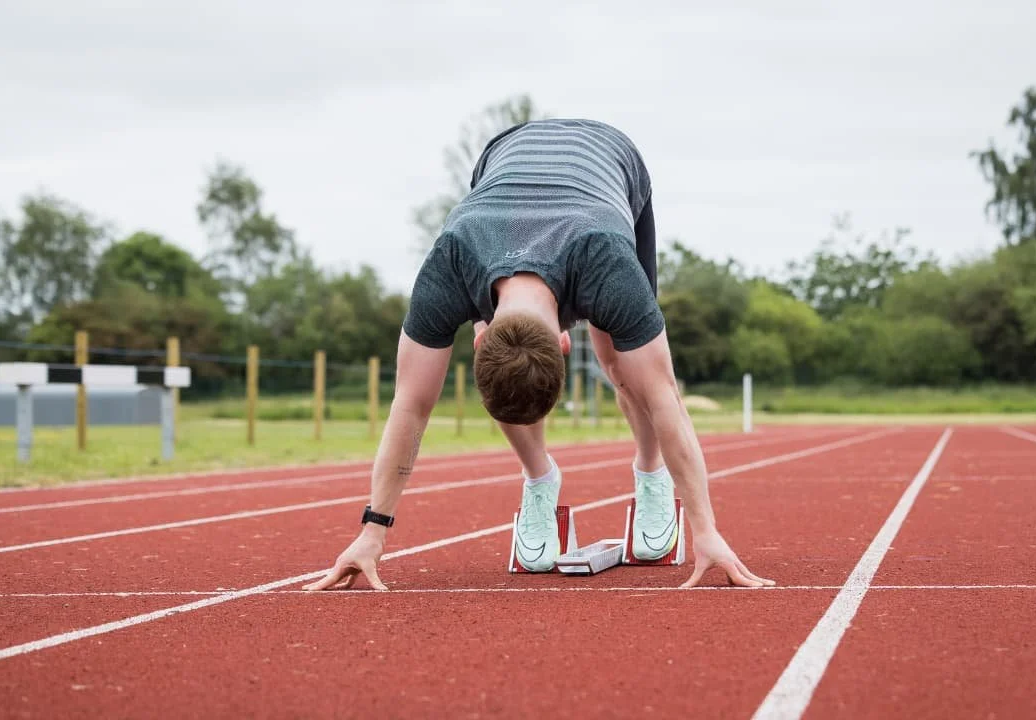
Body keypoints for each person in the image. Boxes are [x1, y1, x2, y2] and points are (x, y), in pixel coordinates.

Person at [304, 118, 773, 591]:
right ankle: (539, 478)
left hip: (613, 163)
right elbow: (410, 405)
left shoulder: (608, 265)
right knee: (510, 377)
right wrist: (372, 530)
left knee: (624, 367)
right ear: (482, 334)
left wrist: (705, 530)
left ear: (564, 344)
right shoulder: (449, 265)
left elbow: (665, 396)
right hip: (501, 159)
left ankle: (650, 475)